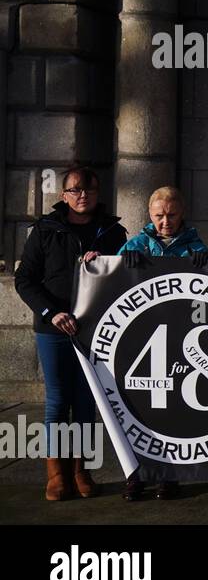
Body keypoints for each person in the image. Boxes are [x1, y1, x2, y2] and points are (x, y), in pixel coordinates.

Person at [15, 166, 127, 501]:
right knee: (57, 401)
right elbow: (25, 280)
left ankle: (81, 471)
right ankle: (56, 475)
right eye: (75, 190)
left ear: (98, 193)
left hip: (93, 329)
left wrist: (104, 263)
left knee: (85, 403)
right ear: (64, 195)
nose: (82, 196)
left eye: (89, 190)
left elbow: (123, 279)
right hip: (53, 328)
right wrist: (52, 313)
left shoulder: (113, 232)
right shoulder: (45, 230)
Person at [117, 186, 208, 264]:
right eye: (159, 216)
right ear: (151, 215)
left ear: (182, 213)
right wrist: (121, 262)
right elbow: (115, 277)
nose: (166, 222)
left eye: (171, 215)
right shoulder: (135, 246)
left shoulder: (196, 249)